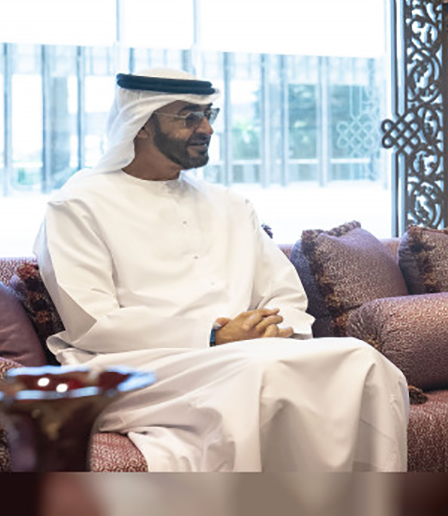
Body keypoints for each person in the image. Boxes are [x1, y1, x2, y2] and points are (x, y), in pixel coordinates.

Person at [34, 68, 409, 472]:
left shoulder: (231, 205)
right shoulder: (78, 205)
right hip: (136, 364)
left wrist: (271, 328)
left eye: (209, 114)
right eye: (189, 117)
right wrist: (213, 335)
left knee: (364, 362)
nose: (207, 128)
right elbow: (91, 321)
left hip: (252, 353)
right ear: (141, 123)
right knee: (260, 374)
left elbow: (283, 291)